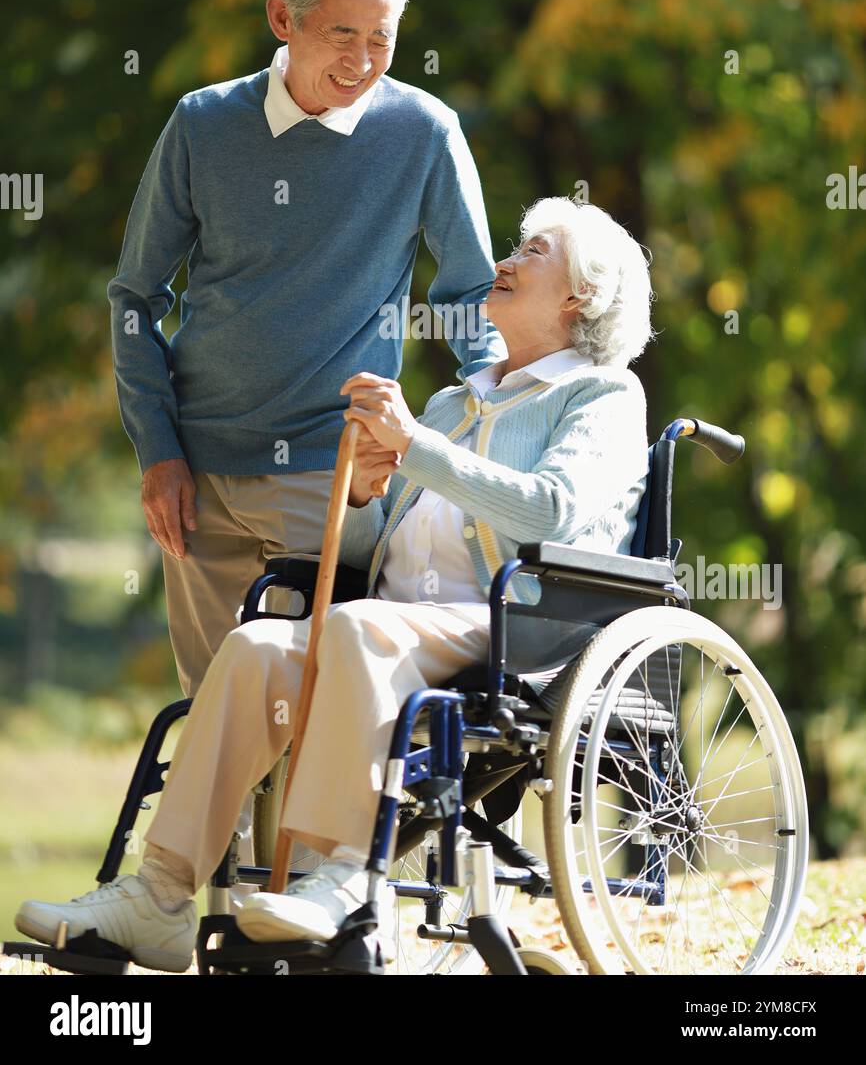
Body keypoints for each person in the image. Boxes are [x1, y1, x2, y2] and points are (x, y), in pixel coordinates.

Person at [18, 198, 653, 971]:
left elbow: (548, 513)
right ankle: (159, 895)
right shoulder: (457, 401)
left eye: (534, 250)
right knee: (255, 647)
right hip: (396, 627)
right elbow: (365, 553)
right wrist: (362, 493)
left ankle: (341, 877)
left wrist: (416, 447)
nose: (507, 259)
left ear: (579, 295)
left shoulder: (603, 395)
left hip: (518, 623)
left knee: (359, 628)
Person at [108, 0, 506, 700]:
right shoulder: (203, 123)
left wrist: (490, 438)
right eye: (341, 34)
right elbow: (135, 298)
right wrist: (157, 452)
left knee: (317, 714)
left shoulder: (424, 133)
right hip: (199, 476)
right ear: (282, 20)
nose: (362, 62)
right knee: (214, 715)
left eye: (382, 39)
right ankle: (205, 835)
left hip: (334, 479)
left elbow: (468, 301)